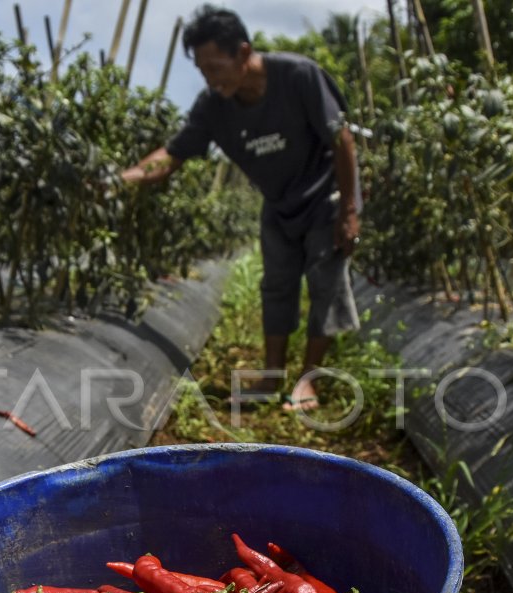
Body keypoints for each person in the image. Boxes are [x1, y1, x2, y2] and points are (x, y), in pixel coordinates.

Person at [120, 5, 362, 412]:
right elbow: (172, 156)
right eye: (202, 71)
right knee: (276, 287)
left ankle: (308, 382)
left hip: (325, 198)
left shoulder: (298, 76)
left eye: (215, 67)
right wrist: (118, 181)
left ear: (244, 52)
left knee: (326, 286)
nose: (210, 80)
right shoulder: (214, 107)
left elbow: (343, 140)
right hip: (279, 203)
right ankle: (270, 379)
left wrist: (350, 209)